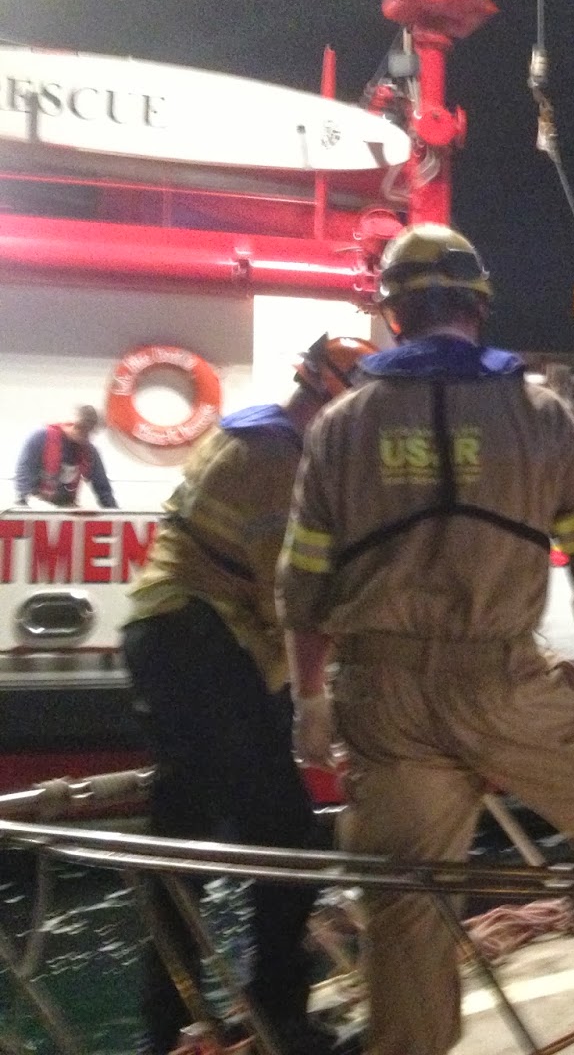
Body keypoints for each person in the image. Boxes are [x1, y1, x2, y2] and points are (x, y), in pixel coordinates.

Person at [276, 223, 574, 1055]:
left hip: (378, 694)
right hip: (503, 681)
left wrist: (309, 697)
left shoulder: (339, 428)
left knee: (407, 896)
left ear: (394, 315)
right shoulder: (539, 415)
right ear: (478, 307)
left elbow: (302, 586)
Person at [121, 333, 376, 1055]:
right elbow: (291, 599)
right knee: (289, 839)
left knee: (181, 838)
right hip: (200, 643)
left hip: (174, 636)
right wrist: (324, 701)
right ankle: (280, 1019)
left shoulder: (256, 436)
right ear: (335, 399)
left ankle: (163, 1028)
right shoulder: (278, 462)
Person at [14, 404, 117, 507]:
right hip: (36, 502)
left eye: (88, 431)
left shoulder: (89, 452)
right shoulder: (41, 438)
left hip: (66, 506)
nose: (84, 435)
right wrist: (22, 500)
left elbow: (102, 486)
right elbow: (25, 469)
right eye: (81, 428)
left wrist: (114, 512)